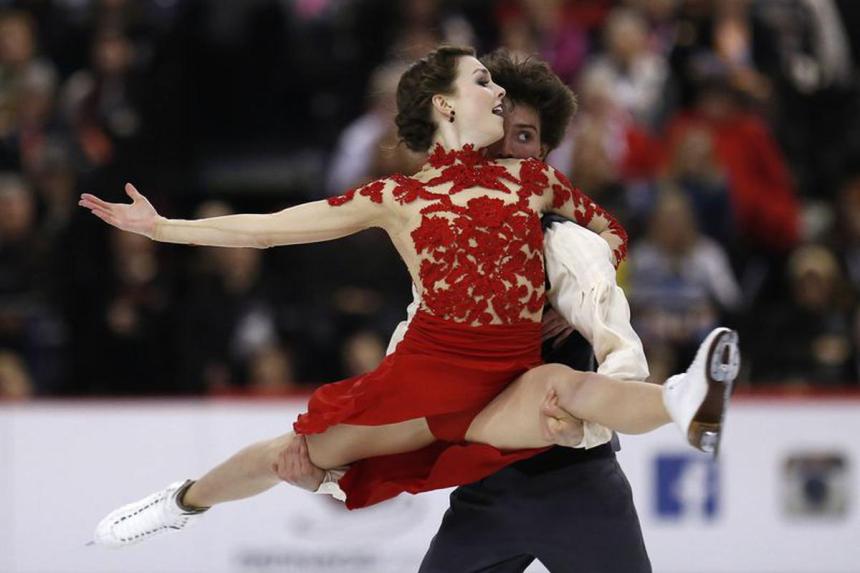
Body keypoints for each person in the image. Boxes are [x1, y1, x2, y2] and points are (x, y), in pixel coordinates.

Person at [79, 45, 739, 548]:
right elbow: (271, 230)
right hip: (426, 383)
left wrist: (563, 304)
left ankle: (686, 399)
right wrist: (164, 228)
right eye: (482, 81)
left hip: (508, 377)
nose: (497, 90)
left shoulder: (533, 179)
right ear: (445, 106)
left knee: (567, 389)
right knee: (295, 453)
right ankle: (181, 502)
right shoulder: (399, 196)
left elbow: (610, 235)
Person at [279, 49, 655, 572]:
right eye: (501, 133)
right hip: (485, 493)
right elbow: (405, 396)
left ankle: (686, 398)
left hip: (579, 486)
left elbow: (611, 279)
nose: (507, 151)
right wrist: (329, 475)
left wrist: (574, 308)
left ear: (545, 152)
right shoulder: (451, 249)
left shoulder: (566, 242)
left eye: (525, 138)